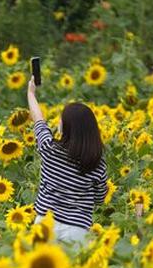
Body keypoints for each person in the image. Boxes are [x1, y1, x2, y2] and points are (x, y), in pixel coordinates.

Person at [25, 79, 108, 245]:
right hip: (77, 231)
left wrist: (31, 92)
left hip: (45, 225)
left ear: (65, 127)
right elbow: (100, 198)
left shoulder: (49, 149)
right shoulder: (97, 164)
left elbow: (38, 119)